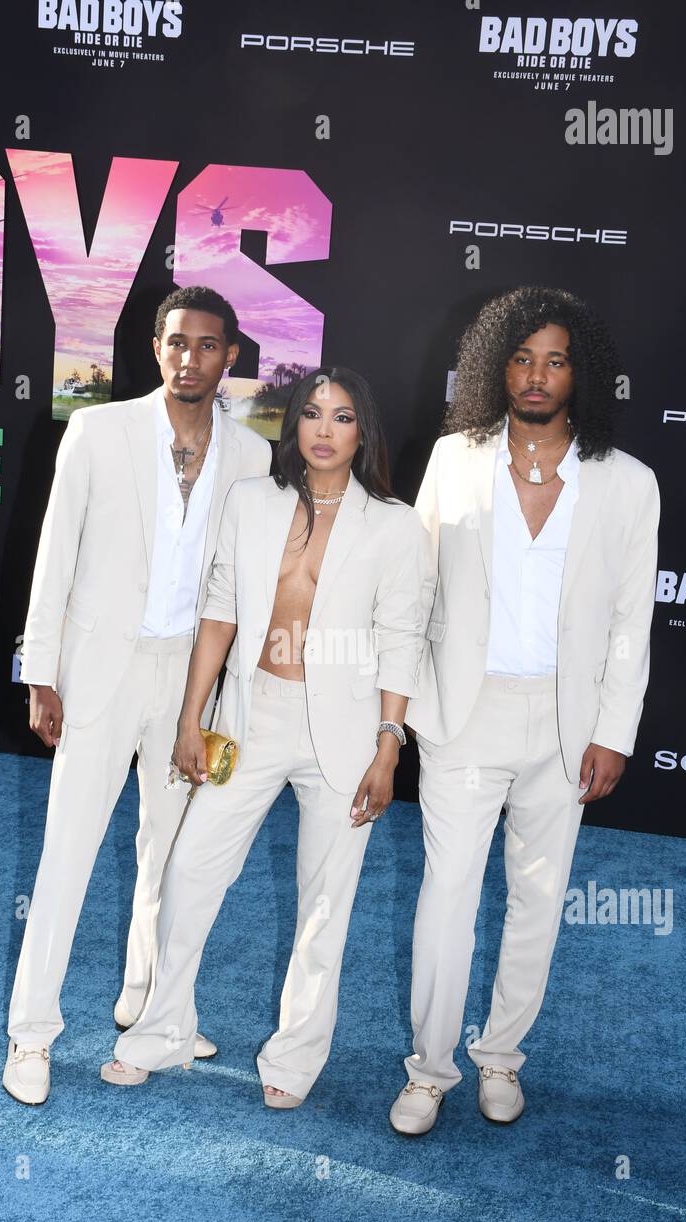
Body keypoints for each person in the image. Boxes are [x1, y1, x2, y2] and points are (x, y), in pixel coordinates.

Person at [100, 366, 433, 1107]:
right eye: (312, 413)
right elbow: (218, 609)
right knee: (188, 872)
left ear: (362, 431)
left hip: (344, 736)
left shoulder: (395, 525)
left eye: (342, 417)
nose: (323, 429)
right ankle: (162, 1031)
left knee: (325, 901)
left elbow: (403, 639)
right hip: (250, 720)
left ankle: (294, 1059)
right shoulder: (252, 502)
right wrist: (193, 718)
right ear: (294, 425)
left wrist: (388, 744)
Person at [390, 286, 660, 1135]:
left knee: (538, 899)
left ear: (581, 372)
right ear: (493, 367)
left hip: (563, 724)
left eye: (555, 359)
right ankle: (429, 1069)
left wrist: (613, 733)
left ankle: (501, 1057)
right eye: (521, 358)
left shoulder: (627, 484)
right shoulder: (453, 459)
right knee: (447, 900)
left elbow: (629, 620)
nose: (537, 375)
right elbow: (414, 591)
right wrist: (397, 713)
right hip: (462, 717)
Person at [3, 285, 271, 1105]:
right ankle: (31, 1036)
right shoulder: (98, 430)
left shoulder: (254, 458)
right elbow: (56, 555)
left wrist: (231, 700)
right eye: (176, 342)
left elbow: (242, 590)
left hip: (188, 682)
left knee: (173, 853)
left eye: (208, 345)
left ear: (231, 357)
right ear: (157, 348)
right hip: (100, 673)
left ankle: (150, 1006)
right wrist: (40, 671)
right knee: (68, 854)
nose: (190, 358)